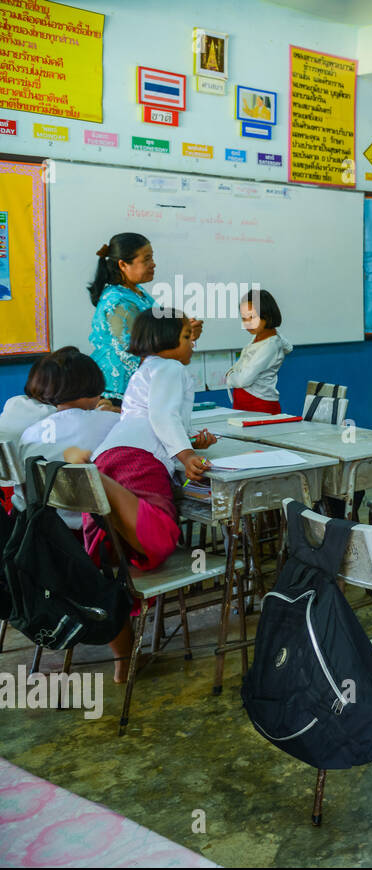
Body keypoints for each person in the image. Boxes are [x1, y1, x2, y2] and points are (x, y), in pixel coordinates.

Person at [65, 309, 217, 683]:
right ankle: (102, 485)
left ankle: (124, 663)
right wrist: (185, 454)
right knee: (159, 539)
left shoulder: (147, 368)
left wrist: (190, 441)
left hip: (111, 454)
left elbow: (153, 417)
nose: (192, 344)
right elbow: (163, 418)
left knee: (112, 553)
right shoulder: (170, 368)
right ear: (166, 343)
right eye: (185, 337)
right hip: (138, 461)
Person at [87, 233, 203, 401]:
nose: (153, 264)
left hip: (141, 387)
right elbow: (131, 350)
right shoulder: (117, 302)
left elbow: (158, 332)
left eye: (152, 258)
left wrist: (185, 333)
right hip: (120, 392)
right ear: (123, 264)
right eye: (146, 259)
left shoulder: (138, 293)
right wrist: (180, 338)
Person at [15, 350, 119, 524]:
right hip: (98, 530)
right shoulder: (114, 423)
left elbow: (21, 495)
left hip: (45, 531)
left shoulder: (32, 432)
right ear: (95, 384)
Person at [226, 289, 292, 414]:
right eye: (244, 319)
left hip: (260, 406)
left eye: (252, 318)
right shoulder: (259, 337)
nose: (247, 324)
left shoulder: (270, 345)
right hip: (244, 405)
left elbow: (243, 380)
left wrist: (229, 376)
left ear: (267, 316)